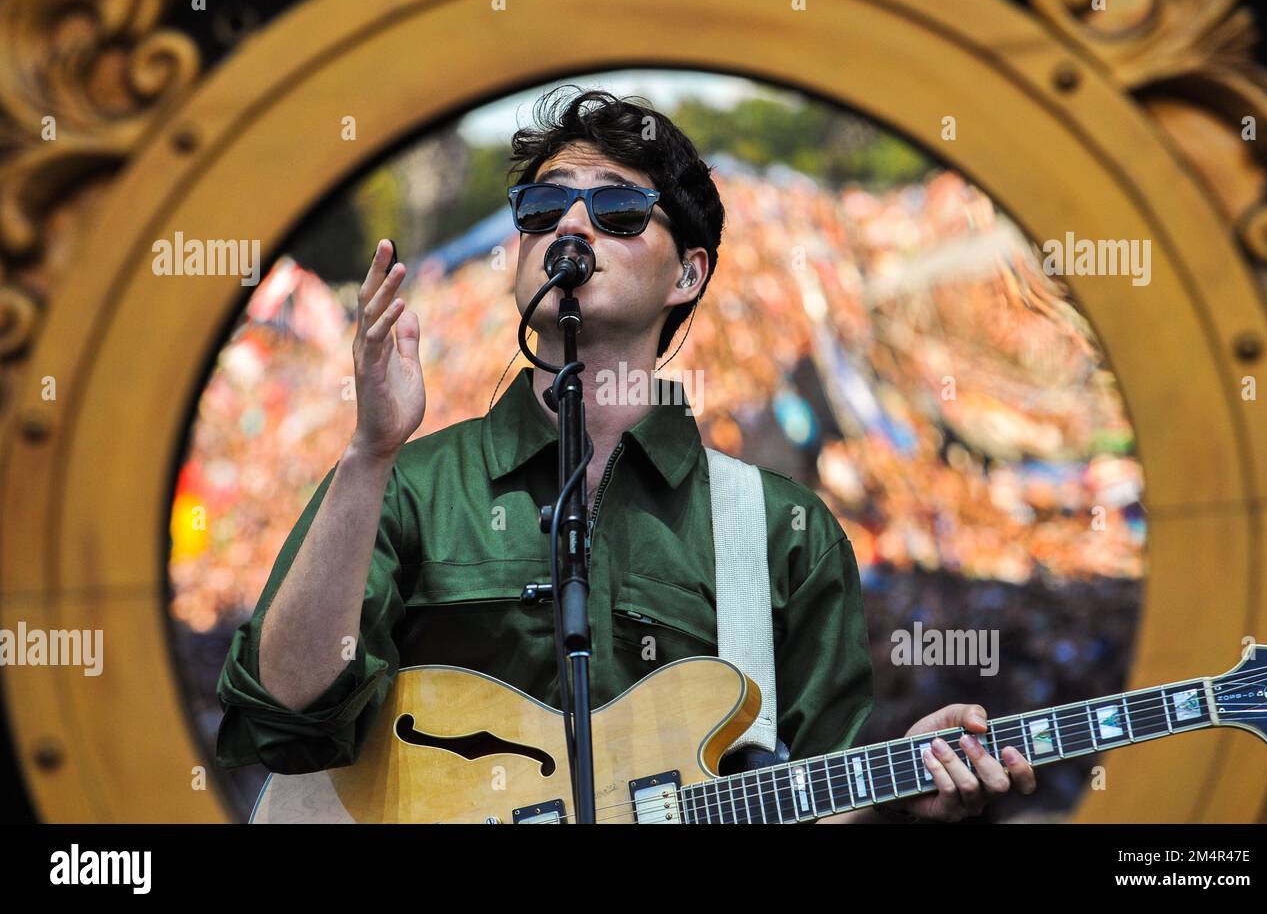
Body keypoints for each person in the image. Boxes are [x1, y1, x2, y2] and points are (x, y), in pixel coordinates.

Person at [215, 86, 1036, 822]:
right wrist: (368, 449)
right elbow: (285, 713)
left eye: (616, 210)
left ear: (687, 272)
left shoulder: (782, 530)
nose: (570, 226)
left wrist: (903, 791)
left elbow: (818, 796)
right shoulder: (409, 484)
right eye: (542, 207)